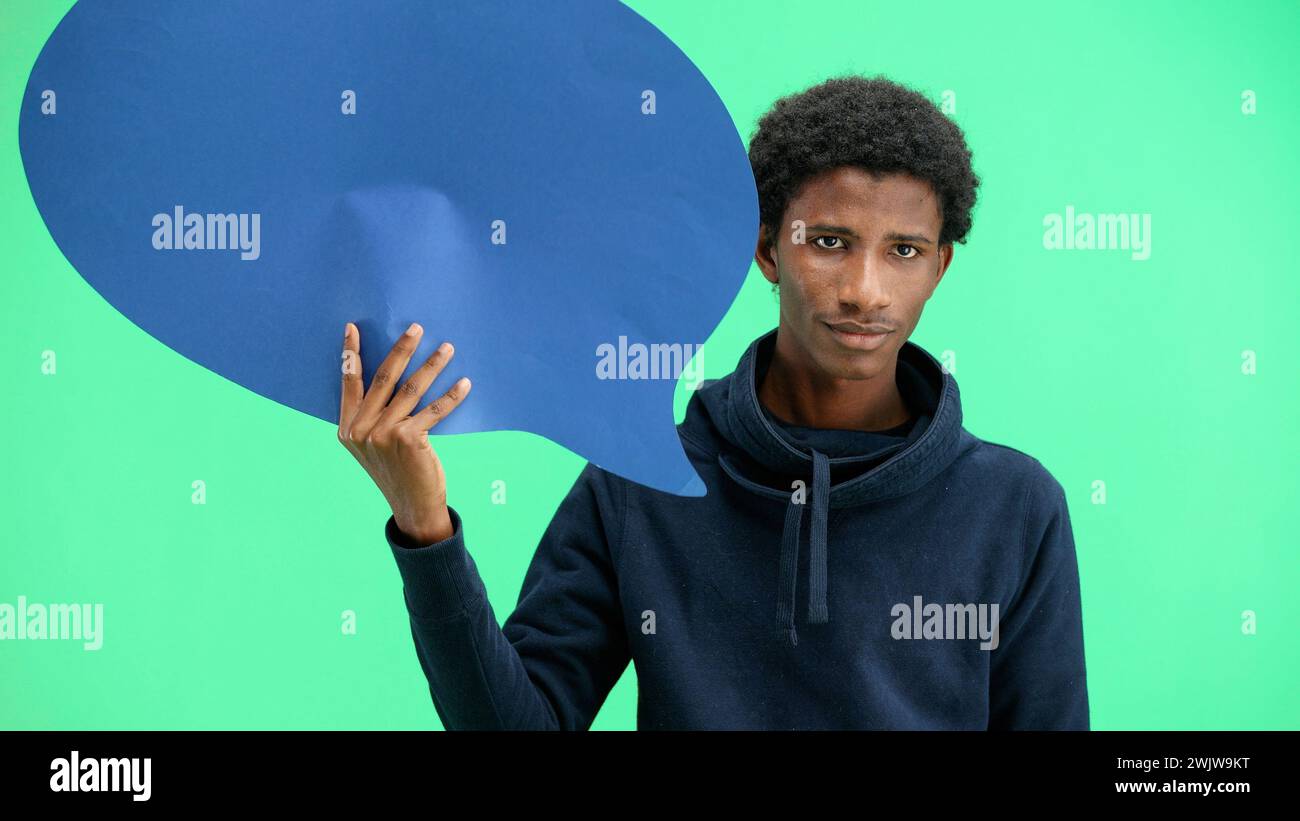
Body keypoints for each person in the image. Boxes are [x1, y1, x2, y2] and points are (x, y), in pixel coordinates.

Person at [337, 74, 1089, 730]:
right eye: (828, 241)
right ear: (766, 247)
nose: (865, 289)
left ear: (939, 265)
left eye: (903, 250)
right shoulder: (640, 482)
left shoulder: (1017, 505)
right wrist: (424, 527)